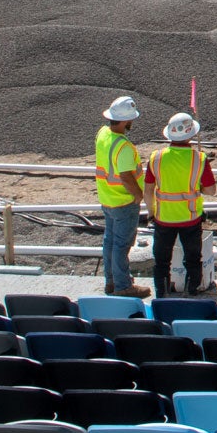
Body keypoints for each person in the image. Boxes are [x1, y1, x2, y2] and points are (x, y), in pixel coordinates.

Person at [145, 111, 217, 297]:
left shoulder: (156, 158)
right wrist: (196, 188)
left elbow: (148, 191)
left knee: (161, 261)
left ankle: (161, 295)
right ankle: (190, 293)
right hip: (191, 218)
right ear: (191, 134)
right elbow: (211, 190)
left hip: (163, 219)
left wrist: (151, 213)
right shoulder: (199, 159)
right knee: (193, 260)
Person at [95, 95, 150, 297]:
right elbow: (126, 176)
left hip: (107, 198)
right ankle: (123, 286)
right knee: (121, 245)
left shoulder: (103, 134)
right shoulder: (124, 146)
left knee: (109, 242)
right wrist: (138, 195)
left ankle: (111, 281)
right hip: (123, 201)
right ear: (127, 120)